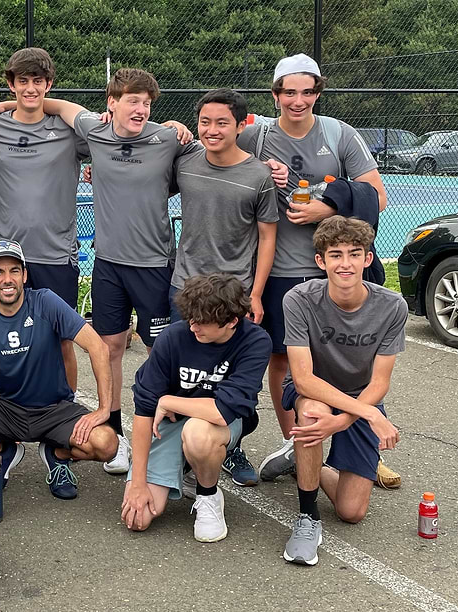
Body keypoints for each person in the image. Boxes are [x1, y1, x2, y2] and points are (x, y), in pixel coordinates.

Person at [12, 68, 199, 477]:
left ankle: (168, 437)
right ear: (111, 103)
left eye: (147, 103)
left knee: (159, 350)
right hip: (108, 264)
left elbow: (211, 159)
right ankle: (113, 430)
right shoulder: (95, 131)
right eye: (133, 100)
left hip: (154, 265)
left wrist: (182, 127)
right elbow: (55, 103)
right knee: (111, 346)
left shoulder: (168, 138)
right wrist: (4, 104)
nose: (141, 109)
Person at [234, 54, 398, 488]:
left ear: (318, 93)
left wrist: (327, 207)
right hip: (278, 269)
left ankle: (354, 440)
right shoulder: (256, 135)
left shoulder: (339, 133)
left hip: (333, 271)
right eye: (290, 92)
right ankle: (297, 443)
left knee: (348, 362)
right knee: (281, 359)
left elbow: (377, 196)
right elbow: (213, 144)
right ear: (275, 95)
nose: (299, 100)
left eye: (308, 92)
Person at [0, 239, 118, 519]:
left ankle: (57, 455)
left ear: (24, 275)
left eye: (14, 271)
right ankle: (4, 451)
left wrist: (103, 409)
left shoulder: (46, 302)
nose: (7, 279)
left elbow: (98, 347)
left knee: (107, 444)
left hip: (55, 410)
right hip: (6, 408)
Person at [168, 88, 278, 488]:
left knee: (231, 379)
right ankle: (180, 447)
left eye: (222, 123)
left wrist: (255, 293)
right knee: (179, 372)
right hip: (184, 287)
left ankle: (229, 445)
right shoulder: (185, 161)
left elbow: (268, 237)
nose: (212, 130)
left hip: (233, 296)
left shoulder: (259, 175)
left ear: (240, 125)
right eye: (204, 122)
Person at [279, 216, 403, 565]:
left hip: (361, 394)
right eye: (335, 255)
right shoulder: (299, 299)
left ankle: (303, 460)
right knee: (313, 412)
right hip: (315, 392)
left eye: (354, 253)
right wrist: (366, 415)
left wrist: (347, 418)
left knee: (351, 511)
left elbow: (379, 383)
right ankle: (307, 517)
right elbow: (303, 379)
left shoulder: (392, 306)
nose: (345, 263)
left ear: (368, 259)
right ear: (321, 261)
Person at [121, 274, 271, 542]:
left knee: (197, 433)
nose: (193, 327)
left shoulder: (255, 342)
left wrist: (167, 401)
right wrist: (139, 483)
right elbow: (144, 409)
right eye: (191, 319)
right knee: (138, 518)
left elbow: (221, 412)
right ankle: (189, 470)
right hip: (168, 422)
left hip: (218, 423)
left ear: (232, 321)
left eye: (202, 323)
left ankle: (208, 495)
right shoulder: (173, 337)